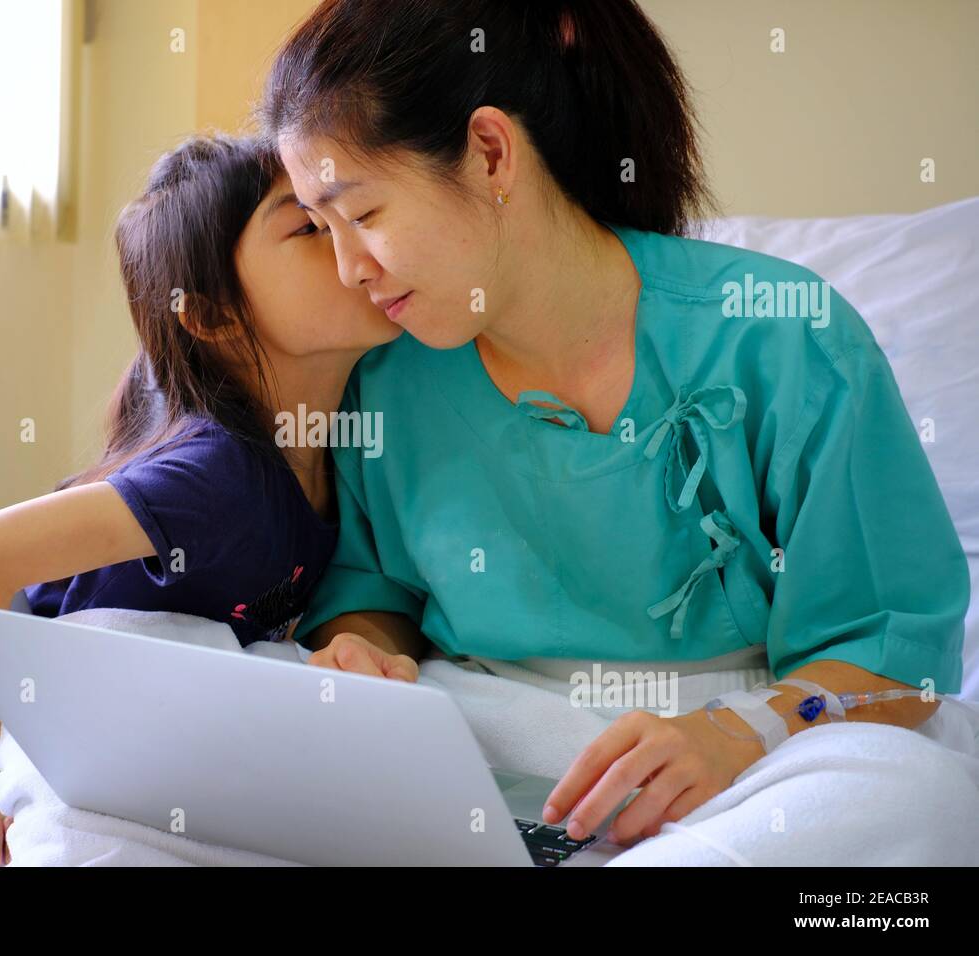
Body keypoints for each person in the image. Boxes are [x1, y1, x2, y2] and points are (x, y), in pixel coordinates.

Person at [260, 0, 969, 847]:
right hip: (487, 744)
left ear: (491, 152)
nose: (348, 270)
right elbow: (369, 595)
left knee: (919, 793)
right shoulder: (387, 377)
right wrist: (357, 650)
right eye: (319, 226)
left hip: (751, 757)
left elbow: (894, 655)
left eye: (363, 215)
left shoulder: (780, 334)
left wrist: (739, 732)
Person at [0, 133, 400, 865]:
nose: (350, 241)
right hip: (76, 709)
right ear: (215, 318)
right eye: (307, 227)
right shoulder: (216, 479)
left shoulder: (345, 433)